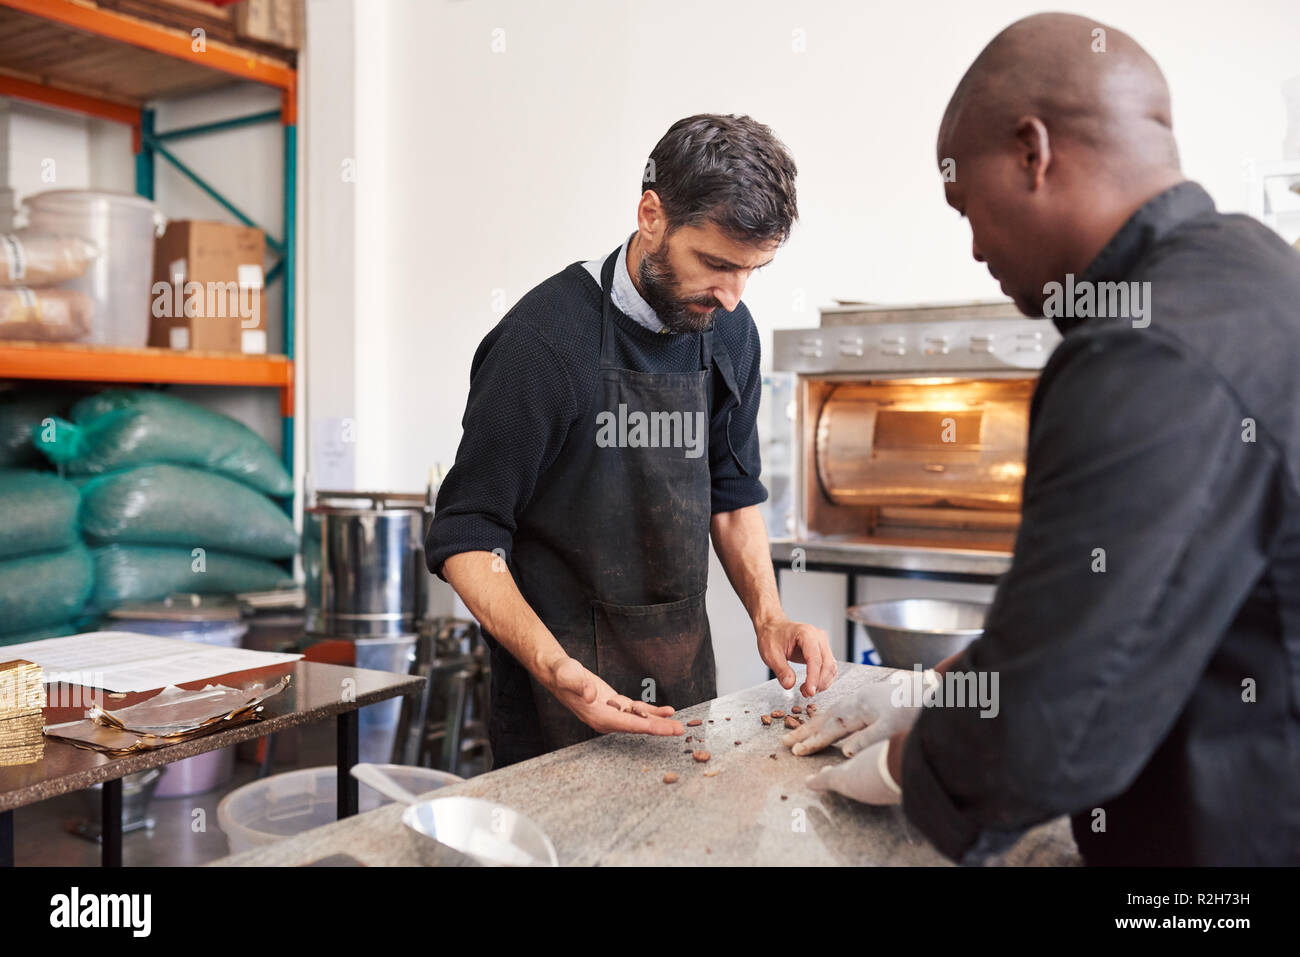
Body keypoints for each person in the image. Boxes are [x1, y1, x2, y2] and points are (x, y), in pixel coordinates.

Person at [786, 13, 1300, 865]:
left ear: (1033, 152)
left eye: (965, 203)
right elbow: (1137, 606)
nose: (977, 243)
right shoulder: (1250, 271)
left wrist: (910, 762)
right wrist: (943, 688)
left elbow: (1044, 733)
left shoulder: (1148, 346)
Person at [427, 114, 836, 767]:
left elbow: (731, 495)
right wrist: (556, 669)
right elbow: (468, 535)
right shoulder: (540, 345)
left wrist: (769, 616)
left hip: (686, 701)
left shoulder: (730, 332)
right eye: (715, 264)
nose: (733, 296)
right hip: (554, 703)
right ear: (652, 216)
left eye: (752, 271)